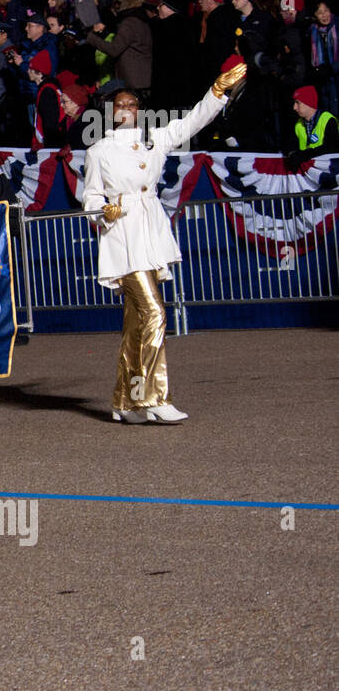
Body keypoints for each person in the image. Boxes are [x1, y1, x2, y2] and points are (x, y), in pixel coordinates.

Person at [82, 62, 246, 425]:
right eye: (121, 105)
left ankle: (127, 400)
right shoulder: (99, 152)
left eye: (133, 105)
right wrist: (102, 211)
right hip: (122, 241)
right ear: (109, 111)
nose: (128, 110)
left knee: (136, 324)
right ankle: (156, 395)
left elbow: (192, 121)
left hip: (150, 236)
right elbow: (89, 197)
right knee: (155, 312)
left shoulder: (155, 140)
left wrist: (217, 92)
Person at [287, 85, 337, 170]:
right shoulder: (298, 124)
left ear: (308, 103)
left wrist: (305, 155)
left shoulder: (328, 120)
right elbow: (289, 145)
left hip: (326, 172)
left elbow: (332, 148)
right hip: (306, 173)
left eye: (297, 103)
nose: (294, 107)